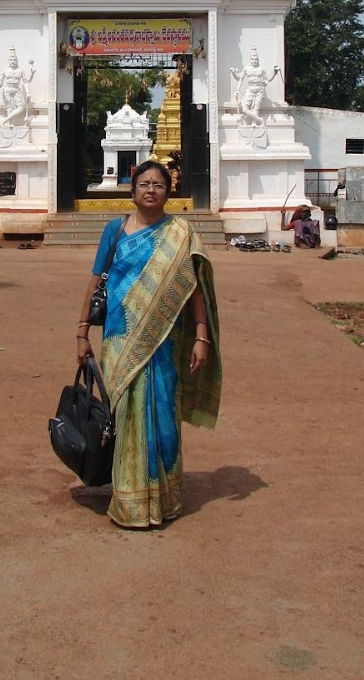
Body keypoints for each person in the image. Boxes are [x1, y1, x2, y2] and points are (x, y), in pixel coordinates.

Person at [75, 160, 221, 529]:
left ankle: (165, 496)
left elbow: (195, 291)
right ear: (133, 190)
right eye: (143, 184)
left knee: (163, 414)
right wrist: (81, 332)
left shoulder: (182, 233)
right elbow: (96, 282)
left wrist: (201, 336)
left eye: (158, 184)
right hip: (119, 339)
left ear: (168, 191)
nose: (150, 190)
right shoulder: (114, 230)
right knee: (123, 414)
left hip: (164, 340)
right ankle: (129, 500)